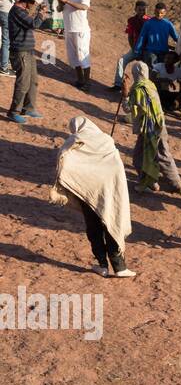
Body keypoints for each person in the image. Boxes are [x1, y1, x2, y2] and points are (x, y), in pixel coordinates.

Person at [52, 116, 136, 278]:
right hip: (110, 190)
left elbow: (62, 157)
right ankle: (120, 267)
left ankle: (102, 265)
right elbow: (115, 164)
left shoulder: (75, 139)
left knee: (94, 228)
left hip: (87, 191)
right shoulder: (106, 139)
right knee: (111, 221)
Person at [123, 60, 181, 194]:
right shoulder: (150, 85)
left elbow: (127, 108)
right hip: (159, 124)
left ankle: (149, 183)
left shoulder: (138, 89)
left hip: (149, 129)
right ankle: (174, 183)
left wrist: (125, 93)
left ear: (135, 73)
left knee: (145, 157)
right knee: (160, 154)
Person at [7, 0, 47, 122]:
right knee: (23, 82)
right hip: (21, 52)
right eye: (34, 3)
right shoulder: (17, 11)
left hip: (27, 50)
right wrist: (40, 14)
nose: (35, 5)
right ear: (27, 1)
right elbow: (34, 24)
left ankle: (28, 108)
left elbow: (31, 23)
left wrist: (38, 14)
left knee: (32, 80)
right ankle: (14, 111)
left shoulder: (22, 11)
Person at [59, 0, 92, 90]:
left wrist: (67, 1)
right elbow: (60, 9)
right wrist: (61, 3)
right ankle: (80, 80)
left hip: (80, 30)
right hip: (69, 29)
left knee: (83, 56)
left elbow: (84, 7)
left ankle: (87, 83)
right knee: (73, 57)